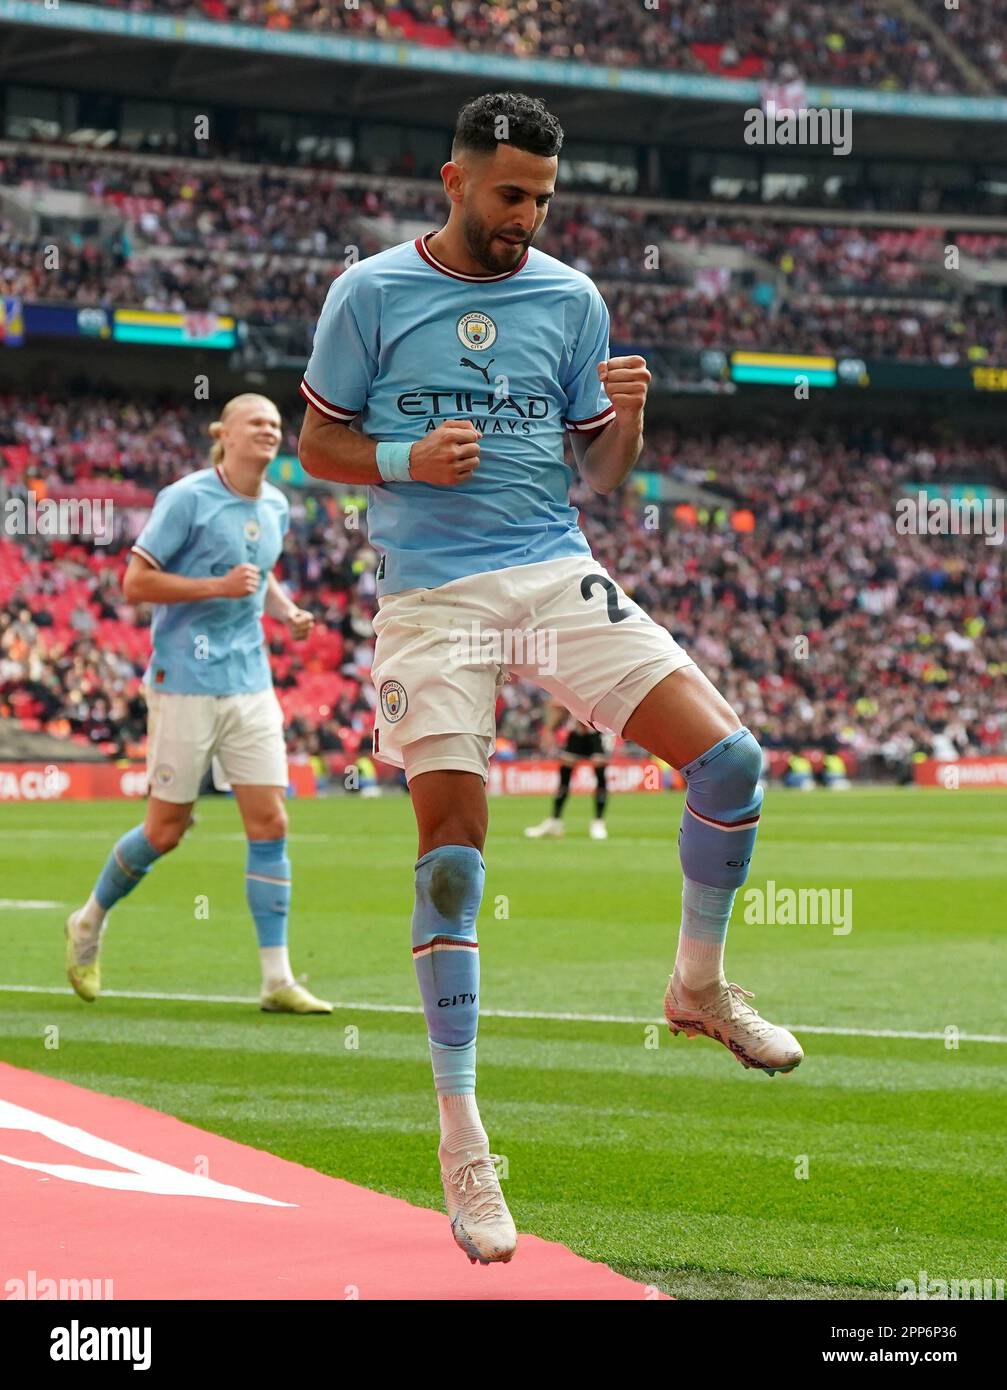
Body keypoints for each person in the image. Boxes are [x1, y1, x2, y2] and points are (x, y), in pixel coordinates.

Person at [298, 92, 802, 1266]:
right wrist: (399, 457)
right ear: (454, 181)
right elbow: (321, 443)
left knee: (731, 758)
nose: (526, 215)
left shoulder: (570, 297)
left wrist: (626, 423)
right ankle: (463, 1140)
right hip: (432, 599)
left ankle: (696, 989)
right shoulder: (368, 293)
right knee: (453, 859)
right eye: (509, 193)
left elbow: (604, 476)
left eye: (542, 198)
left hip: (552, 568)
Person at [65, 394, 332, 1016]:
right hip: (184, 679)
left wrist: (286, 611)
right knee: (166, 830)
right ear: (225, 433)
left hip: (250, 681)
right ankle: (88, 921)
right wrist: (214, 586)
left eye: (275, 424)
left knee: (270, 824)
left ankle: (276, 979)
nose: (269, 431)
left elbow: (260, 573)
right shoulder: (185, 498)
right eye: (257, 423)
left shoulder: (275, 504)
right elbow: (135, 583)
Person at [524, 701, 611, 839]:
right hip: (575, 732)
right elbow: (557, 703)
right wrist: (550, 729)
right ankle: (555, 821)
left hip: (596, 732)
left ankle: (598, 822)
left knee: (600, 775)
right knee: (564, 777)